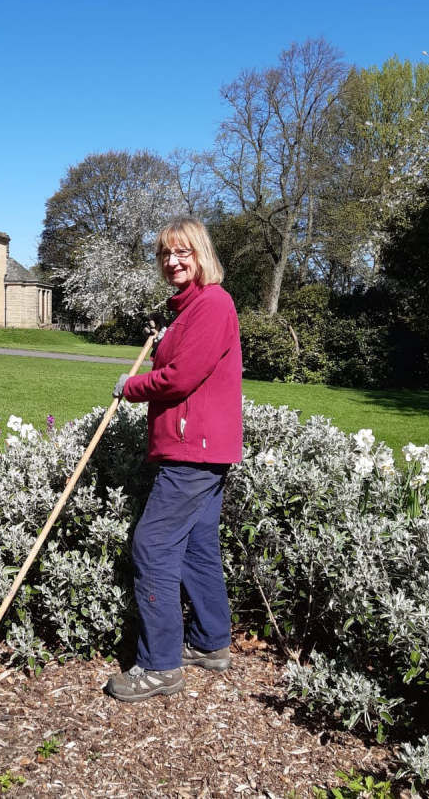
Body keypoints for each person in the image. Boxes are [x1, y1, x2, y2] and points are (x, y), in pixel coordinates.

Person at [105, 218, 243, 703]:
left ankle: (160, 666)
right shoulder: (190, 308)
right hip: (199, 449)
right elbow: (178, 359)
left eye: (182, 252)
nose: (172, 261)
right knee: (197, 546)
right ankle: (210, 644)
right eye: (165, 254)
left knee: (153, 546)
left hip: (193, 450)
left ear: (201, 253)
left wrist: (131, 386)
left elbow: (180, 378)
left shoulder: (212, 303)